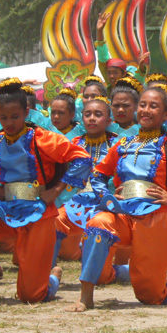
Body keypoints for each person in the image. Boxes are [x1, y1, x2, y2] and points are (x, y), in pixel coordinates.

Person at [72, 84, 167, 311]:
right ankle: (86, 295)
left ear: (166, 115)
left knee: (150, 296)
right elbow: (98, 174)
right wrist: (105, 195)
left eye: (153, 106)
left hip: (155, 217)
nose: (146, 110)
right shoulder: (124, 143)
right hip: (122, 212)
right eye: (143, 105)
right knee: (98, 224)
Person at [0, 78, 93, 306]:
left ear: (26, 113)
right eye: (3, 118)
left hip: (39, 211)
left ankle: (52, 278)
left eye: (15, 117)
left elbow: (82, 159)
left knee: (30, 296)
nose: (9, 123)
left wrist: (56, 190)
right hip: (6, 209)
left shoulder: (43, 139)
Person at [54, 96, 119, 263]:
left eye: (98, 114)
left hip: (107, 205)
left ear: (109, 120)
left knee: (102, 276)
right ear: (81, 118)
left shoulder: (119, 144)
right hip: (75, 204)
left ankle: (119, 270)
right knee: (54, 220)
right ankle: (45, 274)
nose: (92, 118)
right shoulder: (73, 144)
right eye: (88, 114)